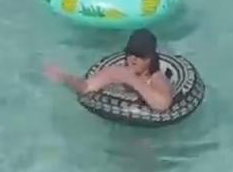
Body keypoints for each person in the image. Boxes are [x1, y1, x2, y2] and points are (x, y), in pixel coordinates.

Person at [43, 27, 174, 112]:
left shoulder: (156, 78)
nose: (133, 59)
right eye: (131, 53)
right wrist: (64, 77)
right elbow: (86, 87)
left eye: (139, 56)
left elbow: (162, 104)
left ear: (150, 58)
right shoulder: (117, 72)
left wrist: (132, 80)